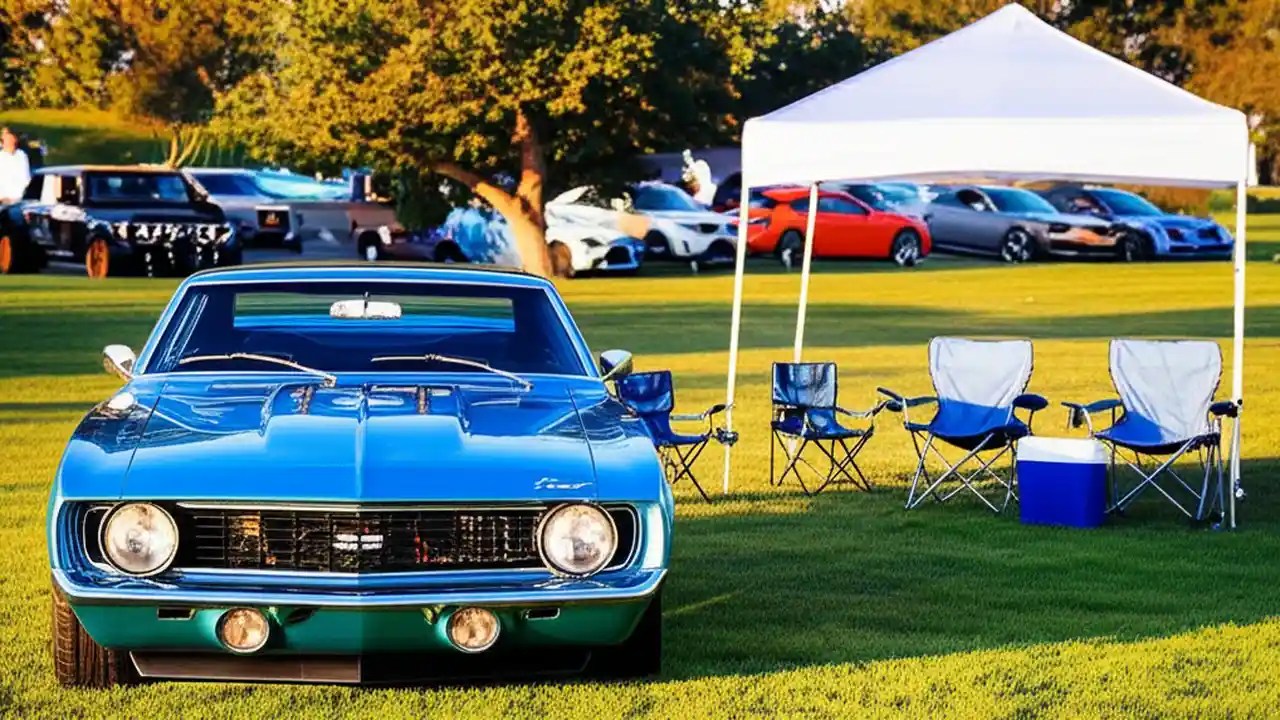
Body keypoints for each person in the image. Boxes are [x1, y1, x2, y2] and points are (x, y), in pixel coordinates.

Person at [0, 126, 32, 205]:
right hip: (5, 199)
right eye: (7, 139)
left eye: (11, 139)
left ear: (15, 139)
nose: (10, 141)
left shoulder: (22, 155)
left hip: (23, 198)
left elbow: (26, 177)